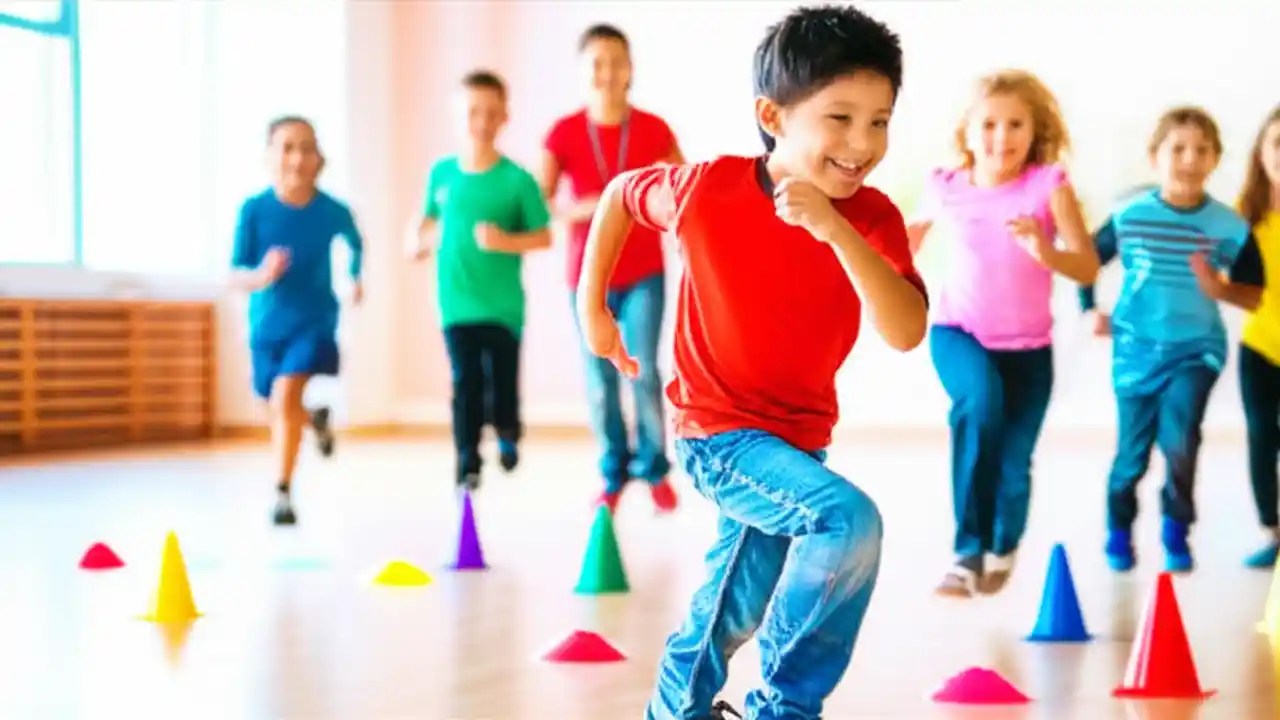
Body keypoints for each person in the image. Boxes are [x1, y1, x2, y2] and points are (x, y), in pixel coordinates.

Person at [576, 7, 927, 718]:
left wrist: (834, 230)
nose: (862, 144)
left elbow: (905, 328)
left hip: (799, 442)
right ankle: (784, 708)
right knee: (846, 523)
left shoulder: (874, 217)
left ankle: (673, 709)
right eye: (840, 118)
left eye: (880, 121)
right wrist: (594, 311)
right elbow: (619, 196)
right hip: (718, 434)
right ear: (773, 115)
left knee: (732, 605)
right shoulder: (706, 191)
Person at [907, 70, 1099, 597]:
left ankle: (1002, 544)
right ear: (966, 132)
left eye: (1015, 124)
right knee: (979, 405)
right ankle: (966, 551)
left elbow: (1086, 267)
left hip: (1029, 352)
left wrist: (1046, 251)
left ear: (1035, 131)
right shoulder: (944, 186)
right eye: (988, 124)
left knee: (1015, 464)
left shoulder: (1047, 185)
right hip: (959, 331)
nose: (1001, 137)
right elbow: (901, 249)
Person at [1079, 106, 1266, 573]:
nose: (1189, 158)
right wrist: (1088, 311)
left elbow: (1254, 293)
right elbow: (1087, 262)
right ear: (1155, 156)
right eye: (1178, 148)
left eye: (1201, 150)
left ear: (1215, 159)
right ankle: (1119, 529)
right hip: (1135, 352)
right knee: (1131, 456)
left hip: (1196, 350)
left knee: (1181, 440)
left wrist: (1220, 288)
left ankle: (1176, 529)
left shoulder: (1229, 227)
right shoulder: (1130, 215)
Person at [542, 23, 683, 514]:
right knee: (599, 381)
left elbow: (682, 193)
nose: (607, 72)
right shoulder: (563, 133)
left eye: (616, 61)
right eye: (597, 62)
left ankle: (655, 468)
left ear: (631, 70)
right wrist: (590, 208)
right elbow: (542, 207)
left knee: (642, 370)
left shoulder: (654, 128)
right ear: (582, 71)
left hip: (644, 271)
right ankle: (613, 472)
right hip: (588, 278)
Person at [412, 71, 552, 491]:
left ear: (504, 116)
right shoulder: (441, 175)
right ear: (458, 115)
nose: (482, 121)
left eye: (491, 112)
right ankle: (466, 459)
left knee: (501, 380)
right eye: (473, 111)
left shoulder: (517, 179)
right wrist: (414, 241)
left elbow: (544, 235)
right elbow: (423, 221)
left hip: (503, 306)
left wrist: (504, 240)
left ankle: (508, 433)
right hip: (456, 302)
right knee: (465, 382)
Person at [230, 115, 364, 526]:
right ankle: (316, 420)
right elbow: (236, 273)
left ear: (318, 158)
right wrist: (262, 275)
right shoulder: (254, 211)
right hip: (267, 325)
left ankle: (282, 493)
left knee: (286, 396)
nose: (297, 157)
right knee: (271, 405)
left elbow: (356, 242)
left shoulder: (330, 210)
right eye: (287, 147)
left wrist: (356, 277)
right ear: (270, 156)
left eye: (306, 147)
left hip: (315, 319)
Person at [1236, 104, 1280, 568]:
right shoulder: (1242, 218)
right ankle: (1274, 531)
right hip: (1262, 349)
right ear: (1261, 153)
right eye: (1278, 143)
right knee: (1262, 438)